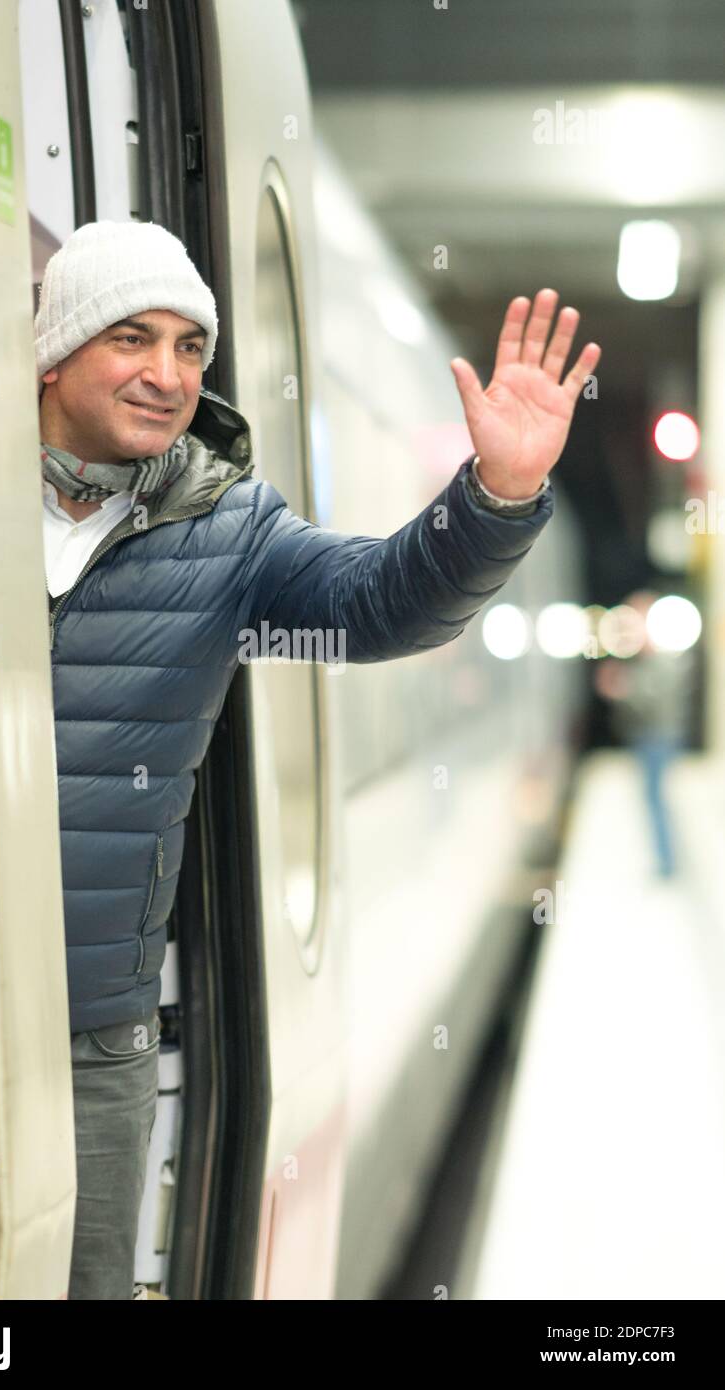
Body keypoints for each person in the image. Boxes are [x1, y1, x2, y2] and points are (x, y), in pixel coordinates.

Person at [34, 219, 601, 1298]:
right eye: (131, 339)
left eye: (190, 349)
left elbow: (382, 603)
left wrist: (496, 495)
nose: (166, 375)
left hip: (88, 1037)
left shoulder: (226, 529)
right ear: (55, 350)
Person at [595, 589, 696, 878]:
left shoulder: (663, 657)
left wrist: (622, 690)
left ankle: (667, 865)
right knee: (655, 798)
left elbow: (654, 701)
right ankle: (666, 861)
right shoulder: (656, 658)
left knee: (656, 799)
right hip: (656, 736)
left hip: (657, 737)